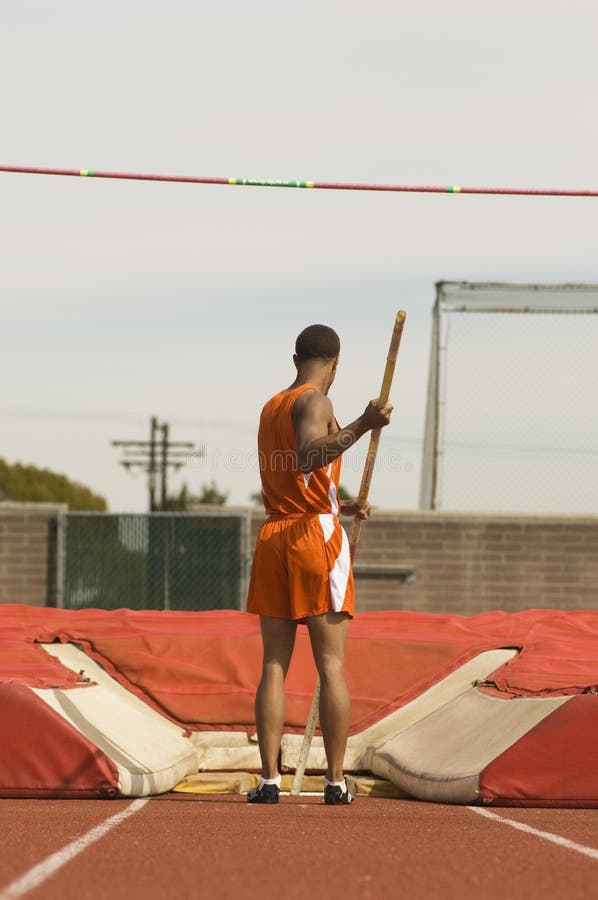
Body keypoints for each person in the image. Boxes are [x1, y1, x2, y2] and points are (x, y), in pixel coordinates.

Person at [246, 324, 393, 805]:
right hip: (313, 539)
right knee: (331, 664)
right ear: (337, 362)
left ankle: (269, 779)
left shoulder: (272, 406)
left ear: (294, 359)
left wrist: (340, 504)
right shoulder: (316, 403)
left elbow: (296, 476)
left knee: (273, 664)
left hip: (275, 534)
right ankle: (334, 781)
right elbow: (309, 456)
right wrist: (363, 424)